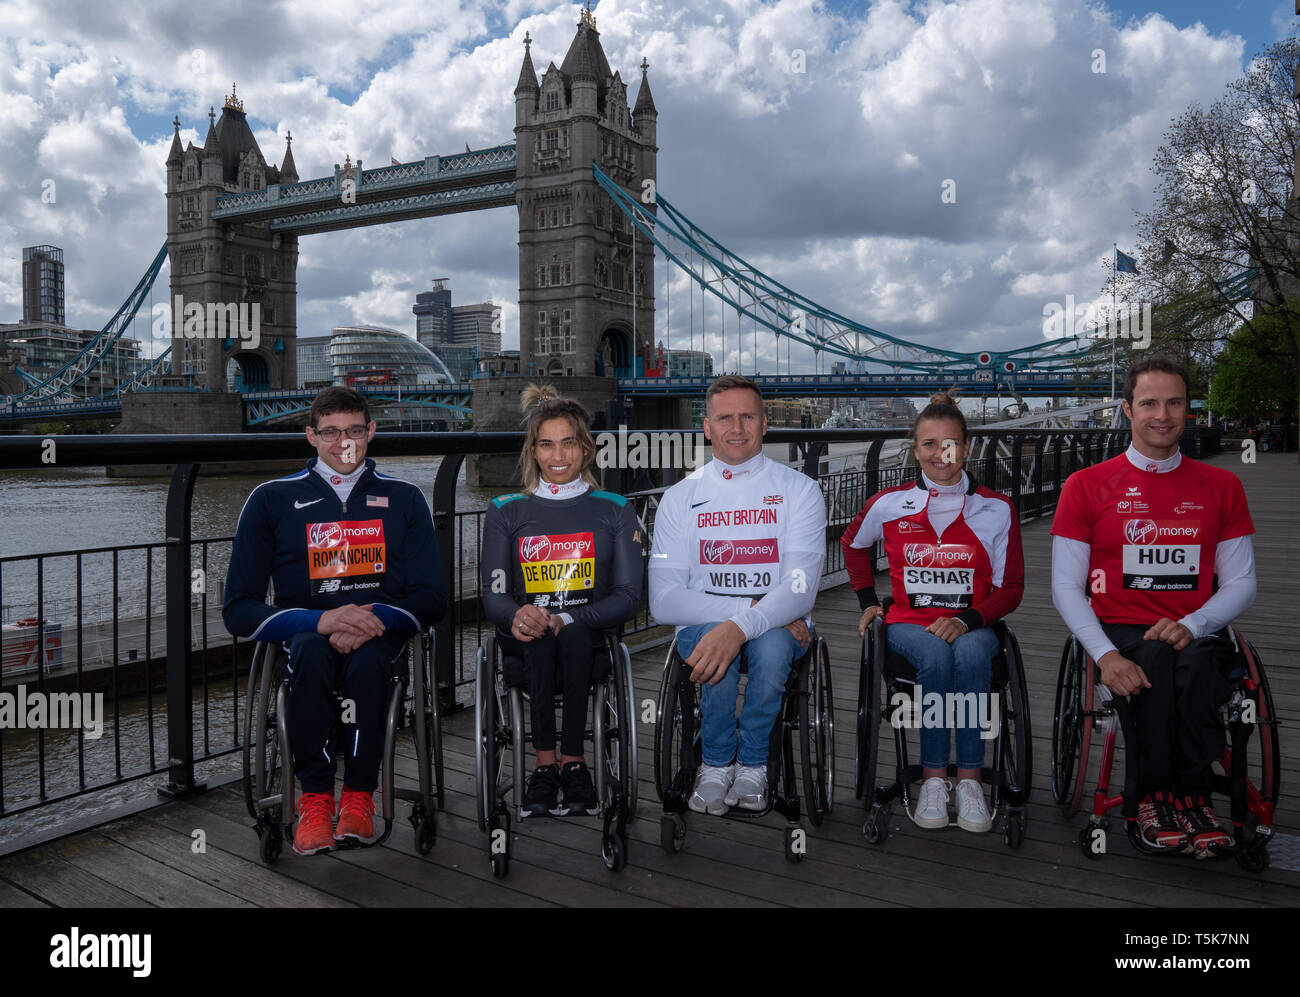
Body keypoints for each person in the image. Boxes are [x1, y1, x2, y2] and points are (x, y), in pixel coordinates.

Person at [223, 386, 446, 856]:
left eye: (354, 431)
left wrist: (374, 616)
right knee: (308, 650)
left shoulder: (405, 499)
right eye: (330, 432)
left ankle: (360, 797)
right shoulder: (270, 499)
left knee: (367, 663)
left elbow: (431, 598)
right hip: (303, 636)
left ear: (372, 432)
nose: (343, 443)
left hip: (379, 634)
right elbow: (238, 609)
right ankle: (318, 798)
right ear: (310, 435)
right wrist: (321, 621)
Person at [1051, 356, 1256, 857]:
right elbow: (1064, 586)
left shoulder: (1222, 485)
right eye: (1149, 403)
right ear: (1127, 410)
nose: (1161, 414)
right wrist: (1104, 657)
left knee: (1195, 664)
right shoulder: (1085, 485)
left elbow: (1243, 582)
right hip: (1118, 627)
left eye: (1174, 403)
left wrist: (1192, 623)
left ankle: (1169, 798)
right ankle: (1181, 798)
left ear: (1188, 410)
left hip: (1197, 627)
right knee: (1158, 662)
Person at [841, 391, 1024, 832]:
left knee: (970, 654)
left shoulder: (997, 509)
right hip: (908, 622)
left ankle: (970, 780)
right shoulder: (888, 503)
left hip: (975, 623)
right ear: (915, 449)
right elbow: (852, 545)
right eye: (929, 444)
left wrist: (966, 620)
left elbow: (1012, 588)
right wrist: (868, 602)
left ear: (966, 447)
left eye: (951, 443)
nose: (941, 453)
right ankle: (934, 777)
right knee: (937, 657)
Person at [649, 374, 826, 813]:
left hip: (777, 631)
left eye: (748, 416)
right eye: (725, 418)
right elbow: (663, 600)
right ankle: (714, 762)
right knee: (718, 648)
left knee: (768, 649)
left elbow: (801, 587)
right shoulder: (678, 498)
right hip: (726, 625)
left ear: (765, 424)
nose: (737, 428)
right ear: (707, 427)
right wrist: (748, 612)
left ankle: (752, 766)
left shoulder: (800, 491)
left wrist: (742, 625)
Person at [480, 385, 643, 817]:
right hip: (526, 636)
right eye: (547, 444)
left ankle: (572, 763)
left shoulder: (615, 508)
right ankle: (546, 766)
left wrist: (568, 616)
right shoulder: (505, 509)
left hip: (587, 637)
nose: (558, 455)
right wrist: (519, 614)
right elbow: (492, 595)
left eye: (568, 442)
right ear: (533, 451)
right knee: (541, 635)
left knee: (569, 636)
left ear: (586, 449)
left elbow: (628, 597)